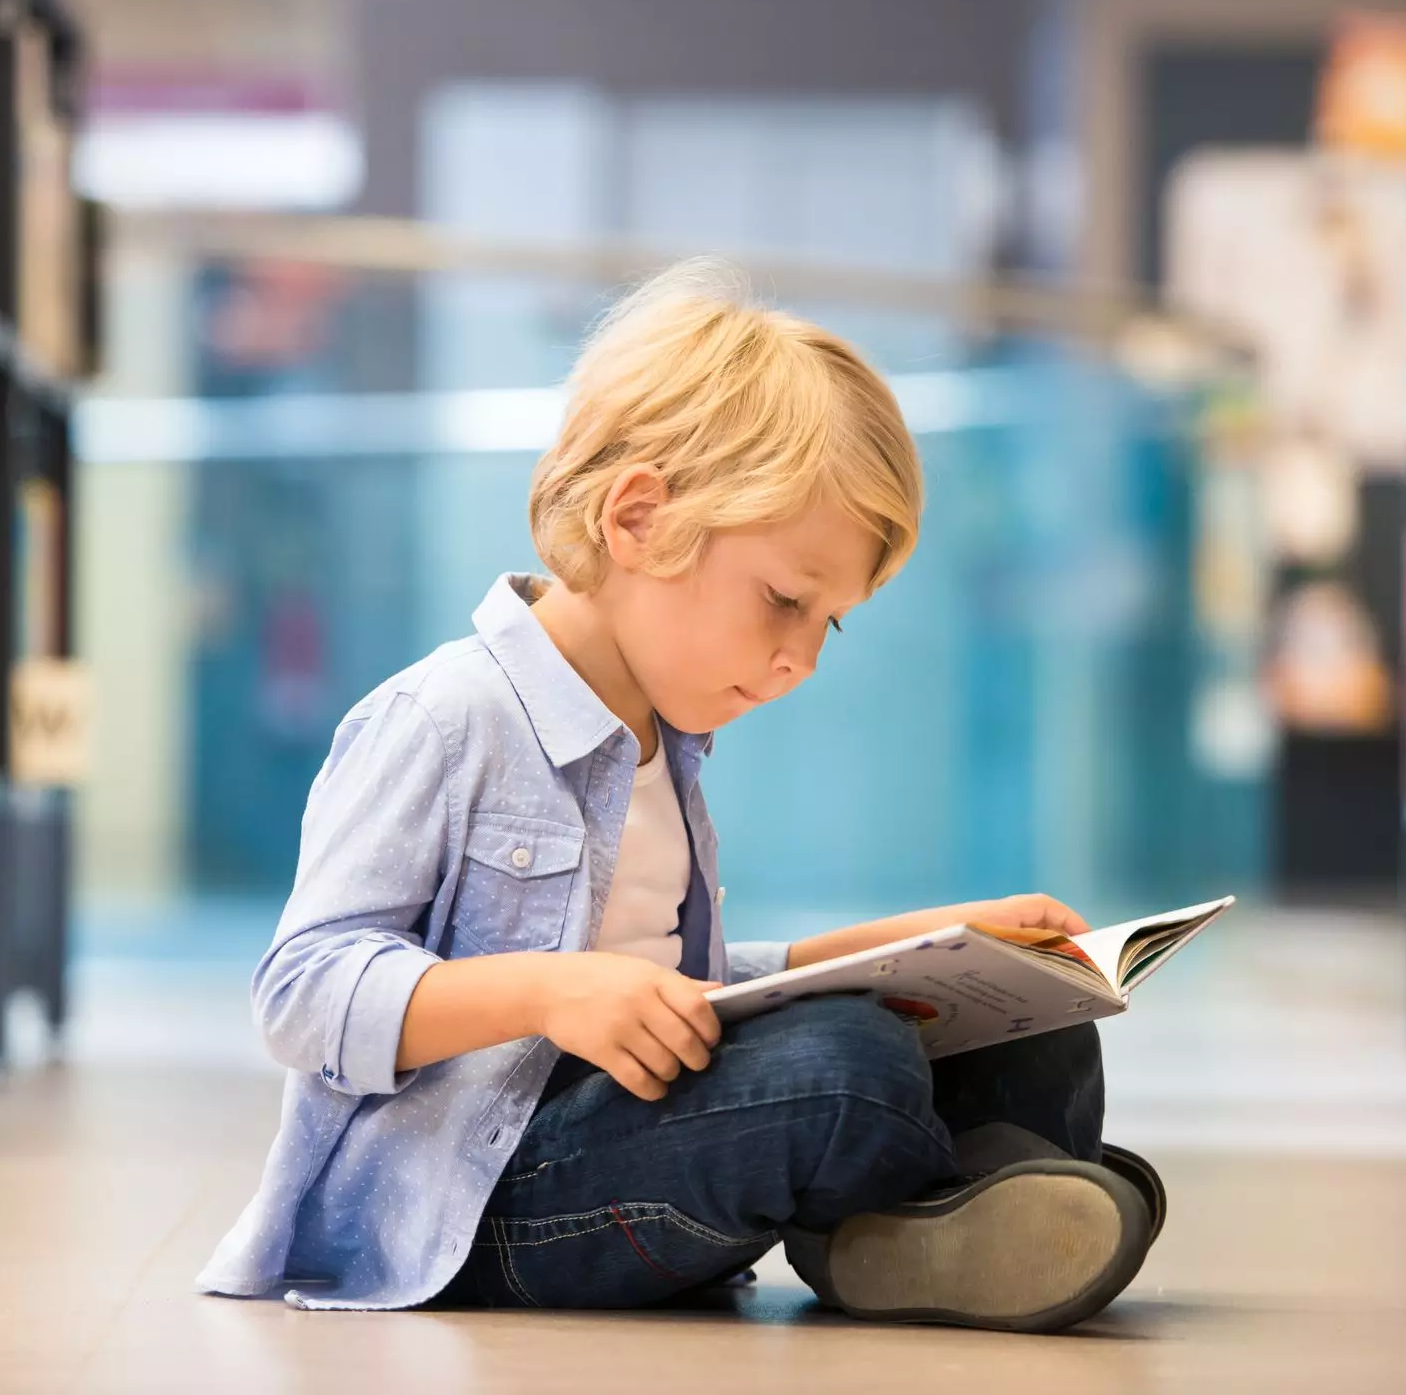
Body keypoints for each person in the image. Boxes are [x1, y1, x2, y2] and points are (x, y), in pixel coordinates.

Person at [198, 262, 1163, 1332]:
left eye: (826, 624)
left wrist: (909, 952)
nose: (800, 660)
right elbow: (301, 988)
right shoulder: (442, 717)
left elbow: (666, 992)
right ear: (640, 520)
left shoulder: (664, 743)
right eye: (784, 602)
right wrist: (547, 992)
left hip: (629, 1148)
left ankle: (967, 1221)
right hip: (487, 1211)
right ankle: (947, 1218)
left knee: (1029, 1021)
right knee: (842, 1066)